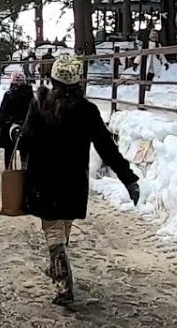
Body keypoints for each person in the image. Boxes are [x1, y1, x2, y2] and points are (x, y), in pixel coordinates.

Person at [18, 54, 140, 308]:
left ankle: (63, 285)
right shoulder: (87, 111)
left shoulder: (39, 105)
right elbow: (107, 148)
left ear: (53, 79)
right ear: (78, 83)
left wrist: (19, 139)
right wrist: (128, 179)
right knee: (63, 227)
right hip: (73, 183)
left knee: (53, 231)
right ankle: (58, 265)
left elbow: (26, 140)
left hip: (43, 182)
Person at [0, 71, 34, 168]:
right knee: (25, 153)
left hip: (9, 129)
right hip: (26, 128)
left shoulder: (9, 95)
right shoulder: (30, 95)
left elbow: (2, 113)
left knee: (9, 152)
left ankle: (9, 172)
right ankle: (25, 173)